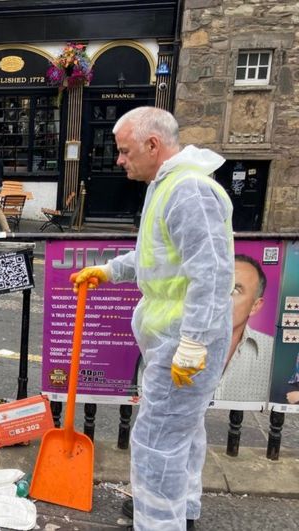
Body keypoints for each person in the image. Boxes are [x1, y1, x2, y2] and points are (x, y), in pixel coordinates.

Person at [70, 107, 233, 531]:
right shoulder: (168, 185)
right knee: (183, 432)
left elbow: (211, 273)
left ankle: (159, 522)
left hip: (182, 343)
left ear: (152, 145)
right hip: (175, 339)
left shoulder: (189, 191)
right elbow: (156, 256)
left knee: (155, 441)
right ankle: (184, 510)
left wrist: (193, 344)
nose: (120, 160)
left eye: (125, 151)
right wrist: (108, 271)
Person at [213, 254, 274, 402]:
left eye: (235, 290)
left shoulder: (271, 352)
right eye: (219, 286)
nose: (222, 298)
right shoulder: (171, 343)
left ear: (255, 306)